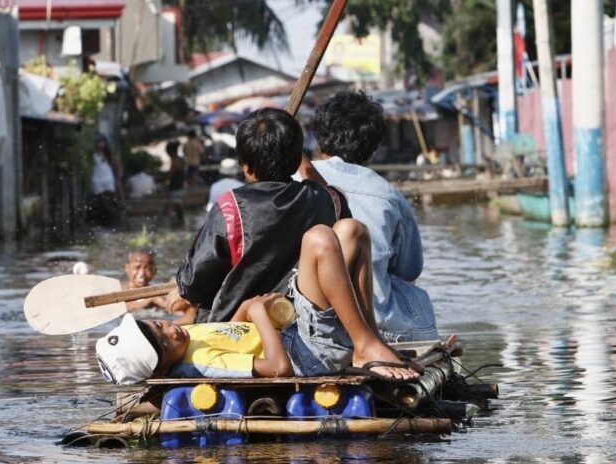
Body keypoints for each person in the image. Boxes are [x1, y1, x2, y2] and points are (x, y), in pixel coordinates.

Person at [163, 108, 415, 378]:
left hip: (242, 332)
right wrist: (301, 161)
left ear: (245, 166)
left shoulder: (230, 207)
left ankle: (368, 342)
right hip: (292, 325)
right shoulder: (324, 200)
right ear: (297, 159)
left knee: (350, 230)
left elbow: (194, 285)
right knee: (350, 228)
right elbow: (328, 193)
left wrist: (181, 288)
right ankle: (366, 340)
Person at [96, 221, 420, 384]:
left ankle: (370, 340)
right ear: (164, 369)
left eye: (160, 326)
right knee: (318, 238)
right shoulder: (196, 365)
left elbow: (232, 331)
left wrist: (249, 308)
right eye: (164, 343)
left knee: (351, 231)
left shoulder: (189, 339)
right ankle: (363, 346)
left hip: (300, 335)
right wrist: (259, 314)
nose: (171, 332)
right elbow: (279, 369)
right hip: (307, 353)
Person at [306, 91, 438, 342]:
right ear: (373, 148)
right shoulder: (389, 196)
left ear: (320, 140)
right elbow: (409, 270)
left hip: (308, 323)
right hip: (378, 325)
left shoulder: (294, 182)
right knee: (408, 294)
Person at [165, 140, 186, 222]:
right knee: (179, 206)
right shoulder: (181, 159)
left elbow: (170, 174)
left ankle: (168, 225)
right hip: (181, 185)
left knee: (170, 207)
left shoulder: (174, 161)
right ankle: (180, 222)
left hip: (175, 186)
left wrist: (164, 181)